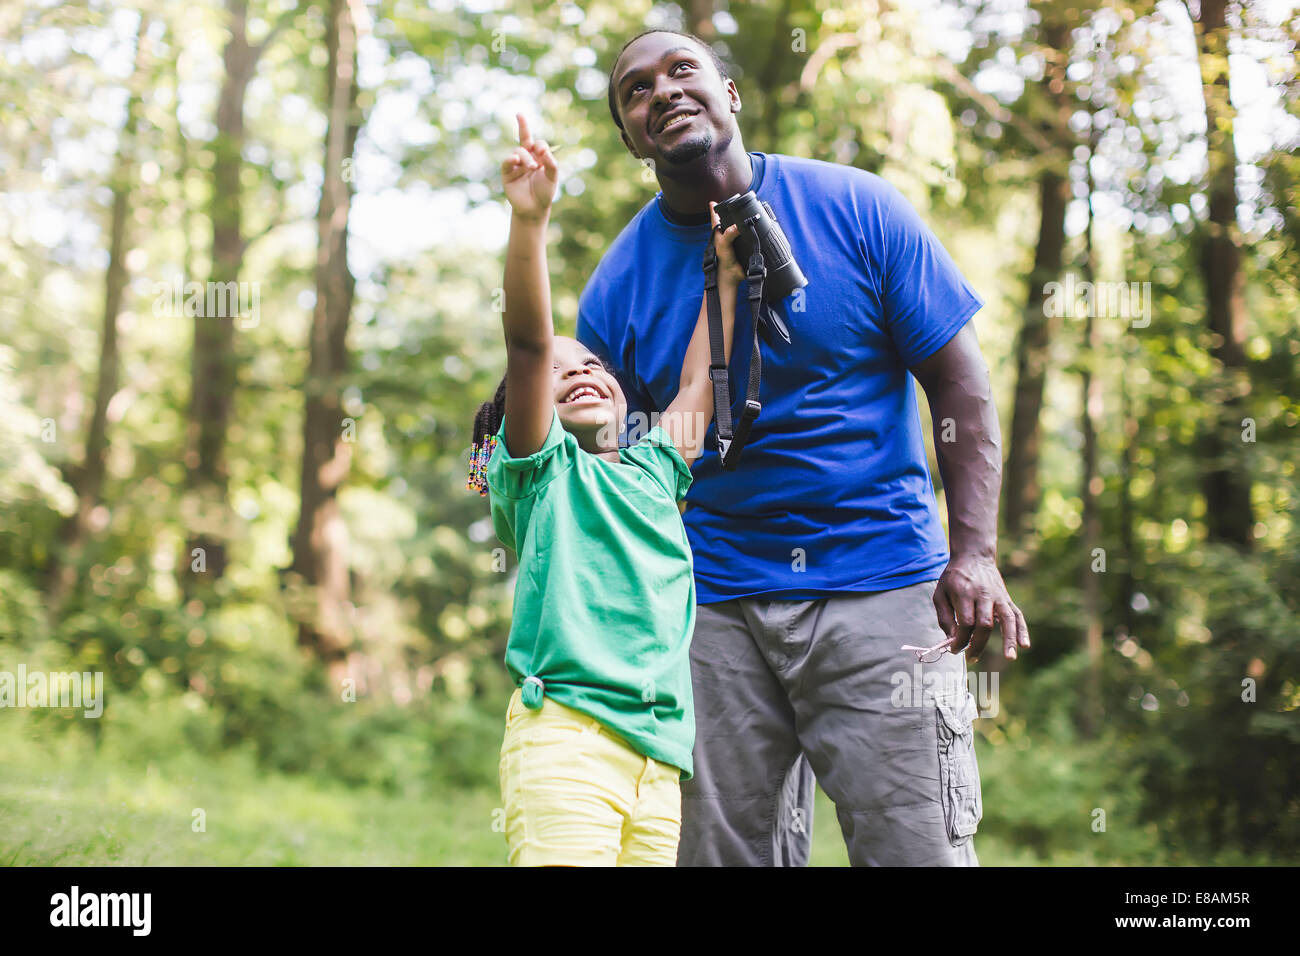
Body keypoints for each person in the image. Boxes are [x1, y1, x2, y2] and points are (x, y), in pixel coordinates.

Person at [577, 29, 1032, 866]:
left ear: (731, 95)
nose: (663, 92)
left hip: (884, 585)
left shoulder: (857, 208)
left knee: (916, 846)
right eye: (636, 91)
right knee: (712, 854)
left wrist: (975, 553)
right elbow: (616, 469)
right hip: (710, 603)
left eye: (683, 70)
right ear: (631, 135)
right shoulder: (616, 283)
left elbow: (961, 385)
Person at [466, 111, 743, 865]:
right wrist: (532, 221)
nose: (581, 370)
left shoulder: (656, 469)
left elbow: (697, 382)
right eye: (559, 375)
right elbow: (526, 341)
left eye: (591, 364)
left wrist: (724, 278)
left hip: (660, 760)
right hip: (567, 739)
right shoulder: (543, 472)